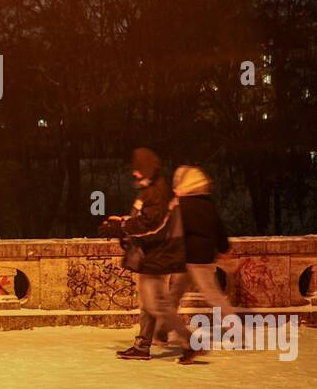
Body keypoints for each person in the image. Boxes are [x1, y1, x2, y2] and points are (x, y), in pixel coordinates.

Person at [99, 148, 199, 362]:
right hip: (152, 255)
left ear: (146, 169)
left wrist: (122, 227)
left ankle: (188, 342)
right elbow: (146, 220)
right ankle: (143, 345)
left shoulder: (156, 192)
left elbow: (152, 225)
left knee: (155, 305)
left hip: (157, 256)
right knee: (149, 304)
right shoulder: (150, 190)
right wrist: (121, 222)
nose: (134, 174)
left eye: (137, 170)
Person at [172, 165, 237, 323]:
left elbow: (175, 231)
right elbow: (218, 228)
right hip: (204, 256)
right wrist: (224, 249)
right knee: (212, 295)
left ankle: (237, 331)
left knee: (178, 295)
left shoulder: (182, 205)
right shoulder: (207, 204)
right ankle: (162, 330)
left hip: (189, 256)